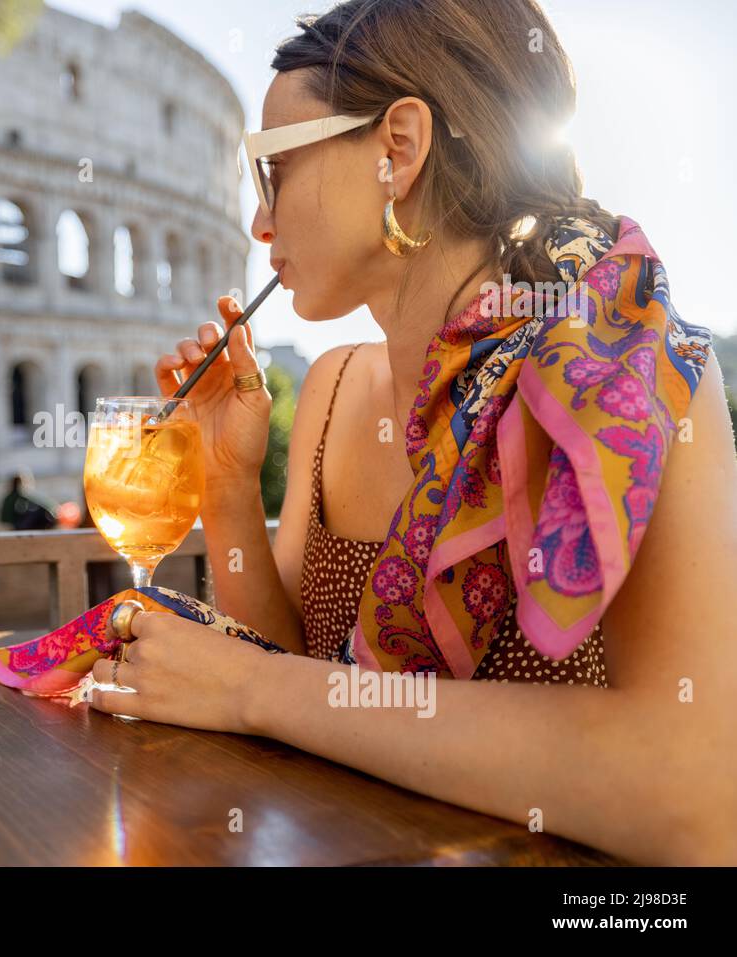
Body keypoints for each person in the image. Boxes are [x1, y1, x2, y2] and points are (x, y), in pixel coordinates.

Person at [84, 0, 737, 865]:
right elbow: (305, 677)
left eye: (272, 170)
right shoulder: (329, 387)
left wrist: (251, 685)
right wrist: (232, 487)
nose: (259, 222)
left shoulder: (624, 386)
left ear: (398, 150)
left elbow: (694, 794)